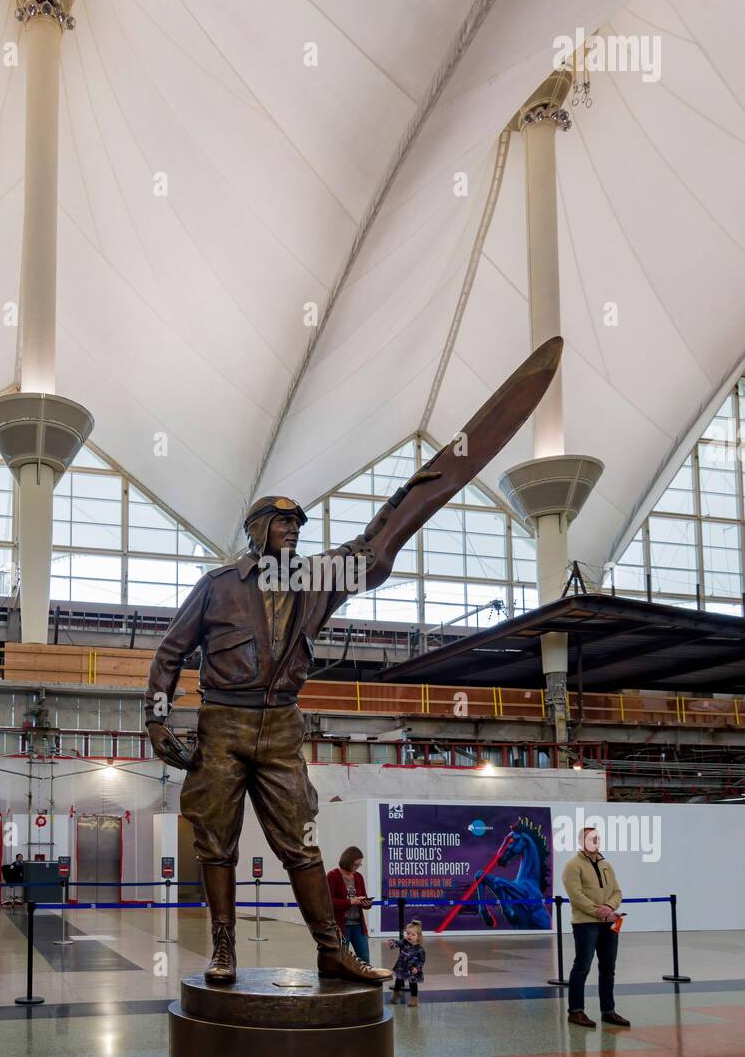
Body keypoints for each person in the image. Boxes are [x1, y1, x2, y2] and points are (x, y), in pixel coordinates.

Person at [144, 340, 562, 985]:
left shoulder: (320, 576)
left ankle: (331, 949)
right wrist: (156, 721)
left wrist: (418, 494)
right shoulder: (219, 585)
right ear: (256, 530)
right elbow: (169, 654)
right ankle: (223, 950)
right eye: (283, 522)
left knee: (301, 846)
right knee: (214, 844)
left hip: (281, 727)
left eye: (299, 523)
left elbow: (374, 545)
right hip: (222, 725)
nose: (295, 530)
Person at [562, 825, 630, 1028]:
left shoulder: (606, 865)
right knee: (582, 966)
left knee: (608, 968)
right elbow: (576, 896)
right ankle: (576, 1011)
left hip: (608, 923)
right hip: (586, 924)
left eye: (597, 837)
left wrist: (609, 907)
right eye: (590, 838)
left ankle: (608, 1011)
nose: (595, 841)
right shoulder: (573, 866)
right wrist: (598, 911)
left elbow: (617, 892)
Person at [326, 847, 374, 964]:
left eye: (359, 864)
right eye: (356, 864)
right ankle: (342, 982)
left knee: (365, 959)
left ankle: (365, 982)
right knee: (342, 960)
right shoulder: (332, 876)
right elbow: (328, 902)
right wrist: (351, 902)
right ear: (348, 861)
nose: (358, 867)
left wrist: (366, 903)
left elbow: (362, 898)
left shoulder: (358, 877)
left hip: (358, 925)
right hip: (341, 927)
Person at [388, 920, 426, 1006]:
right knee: (398, 980)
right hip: (402, 966)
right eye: (408, 933)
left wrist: (417, 968)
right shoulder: (404, 942)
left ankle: (414, 999)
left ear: (418, 937)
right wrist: (392, 943)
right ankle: (396, 994)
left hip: (412, 969)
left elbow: (422, 960)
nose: (409, 936)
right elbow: (398, 943)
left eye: (413, 934)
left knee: (412, 983)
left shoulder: (420, 949)